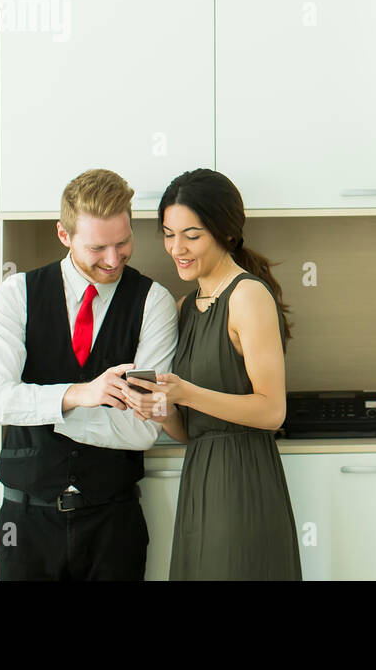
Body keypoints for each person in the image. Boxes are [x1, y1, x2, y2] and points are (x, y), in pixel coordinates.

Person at [0, 168, 178, 580]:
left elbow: (143, 429)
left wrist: (40, 411)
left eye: (123, 242)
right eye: (97, 247)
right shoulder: (17, 295)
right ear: (64, 235)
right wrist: (78, 395)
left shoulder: (153, 303)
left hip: (114, 524)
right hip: (25, 524)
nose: (112, 258)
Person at [126, 167, 302, 580]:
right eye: (169, 234)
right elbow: (190, 430)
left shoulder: (248, 296)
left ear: (225, 233)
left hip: (243, 480)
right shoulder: (186, 305)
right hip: (199, 478)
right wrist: (161, 406)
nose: (177, 248)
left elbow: (272, 411)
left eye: (192, 235)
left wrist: (185, 393)